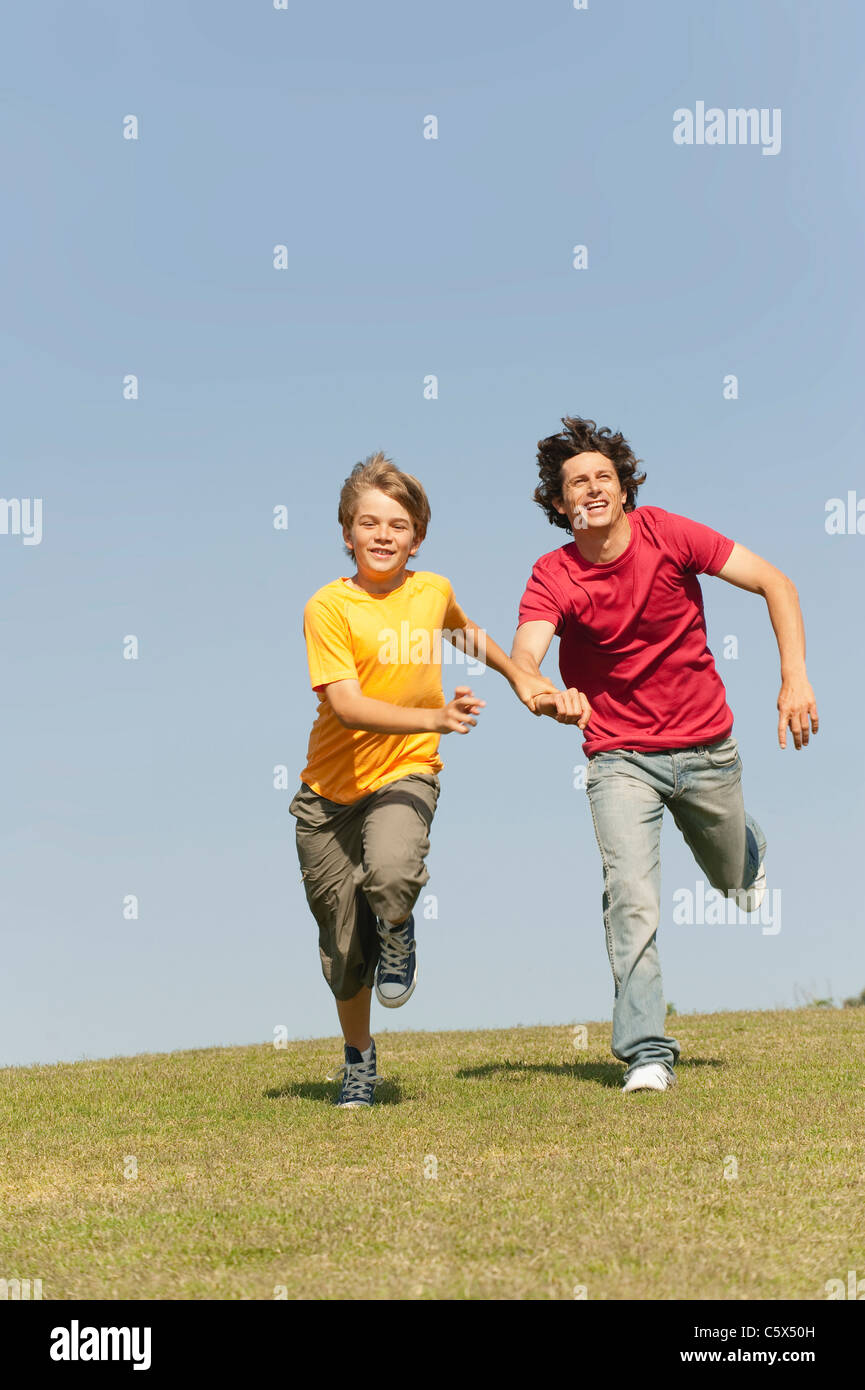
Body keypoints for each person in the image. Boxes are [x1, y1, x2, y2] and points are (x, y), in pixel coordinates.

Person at [511, 417, 818, 1093]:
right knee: (630, 897)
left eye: (601, 477)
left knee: (734, 881)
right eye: (574, 484)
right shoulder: (553, 574)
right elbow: (524, 660)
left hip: (706, 747)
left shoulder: (667, 533)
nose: (590, 489)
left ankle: (745, 853)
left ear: (623, 490)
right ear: (559, 505)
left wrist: (792, 675)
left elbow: (776, 583)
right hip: (619, 758)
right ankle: (647, 1051)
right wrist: (544, 695)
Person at [290, 452, 557, 1108]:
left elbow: (466, 634)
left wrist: (517, 673)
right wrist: (433, 714)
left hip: (407, 771)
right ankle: (358, 1057)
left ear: (418, 536)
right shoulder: (328, 608)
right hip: (326, 798)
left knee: (390, 871)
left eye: (398, 525)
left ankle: (399, 923)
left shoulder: (430, 590)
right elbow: (346, 706)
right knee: (344, 950)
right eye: (368, 523)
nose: (383, 535)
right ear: (346, 533)